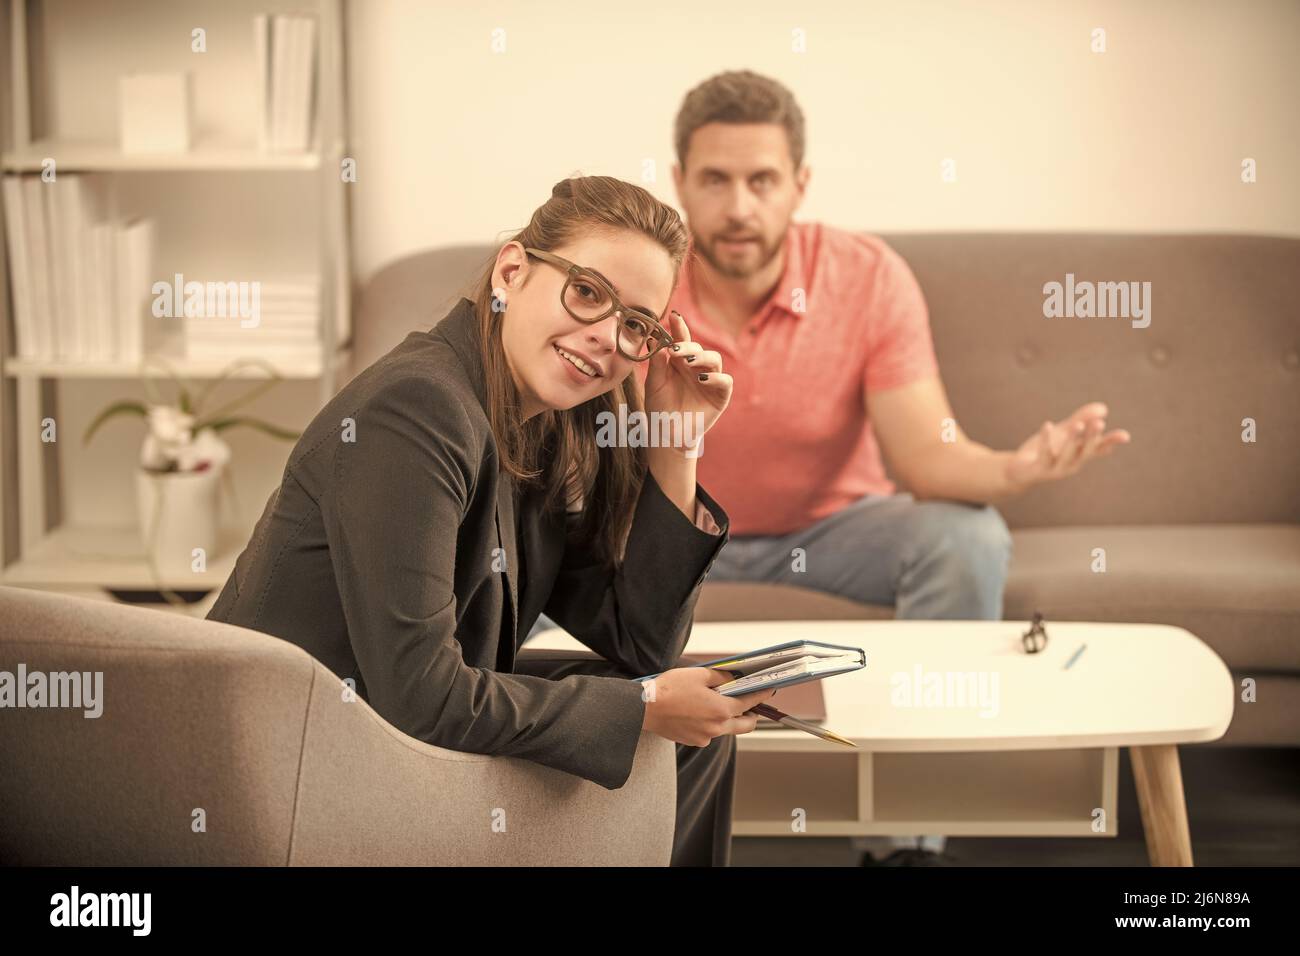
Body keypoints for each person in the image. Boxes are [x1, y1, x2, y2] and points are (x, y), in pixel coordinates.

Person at [207, 175, 776, 866]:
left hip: (387, 743)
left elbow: (641, 641)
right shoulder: (416, 408)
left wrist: (676, 438)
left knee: (688, 730)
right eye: (588, 292)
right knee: (654, 722)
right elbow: (421, 698)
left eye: (634, 325)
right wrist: (646, 706)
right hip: (298, 774)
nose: (603, 337)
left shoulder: (540, 420)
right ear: (512, 271)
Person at [661, 71, 1131, 864]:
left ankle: (906, 844)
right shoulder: (646, 278)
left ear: (798, 185)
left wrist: (1018, 467)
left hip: (836, 529)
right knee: (527, 558)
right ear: (679, 183)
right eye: (715, 179)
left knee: (965, 538)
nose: (739, 207)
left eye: (762, 180)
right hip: (673, 530)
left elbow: (924, 456)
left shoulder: (866, 276)